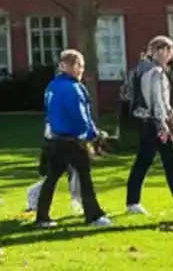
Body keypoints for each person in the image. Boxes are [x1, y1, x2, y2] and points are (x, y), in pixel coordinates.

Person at [34, 49, 112, 229]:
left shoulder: (52, 86)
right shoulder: (74, 88)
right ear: (70, 66)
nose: (81, 70)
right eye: (79, 66)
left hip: (54, 139)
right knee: (84, 176)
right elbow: (81, 116)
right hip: (72, 140)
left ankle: (42, 216)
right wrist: (93, 135)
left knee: (52, 178)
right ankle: (94, 215)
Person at [125, 36, 173, 215]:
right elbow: (157, 102)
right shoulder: (156, 72)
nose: (171, 55)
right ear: (160, 51)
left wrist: (170, 114)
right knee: (171, 162)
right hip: (155, 123)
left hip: (143, 121)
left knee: (143, 161)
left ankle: (132, 202)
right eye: (170, 50)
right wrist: (166, 123)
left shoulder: (140, 69)